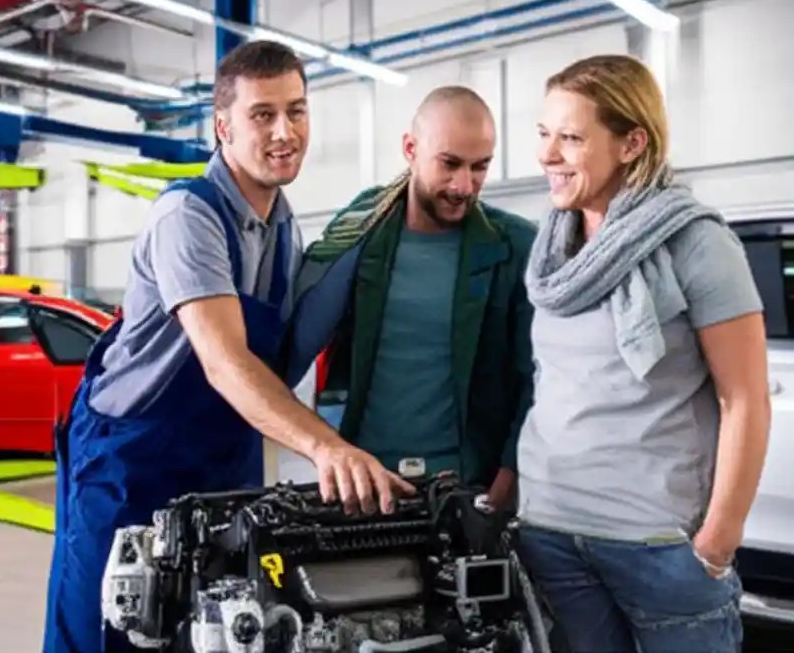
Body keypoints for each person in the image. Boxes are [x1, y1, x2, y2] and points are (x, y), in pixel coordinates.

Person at [41, 40, 415, 653]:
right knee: (107, 628)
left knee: (216, 628)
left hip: (222, 461)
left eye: (296, 111)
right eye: (262, 115)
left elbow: (281, 355)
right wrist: (328, 448)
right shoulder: (188, 216)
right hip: (133, 461)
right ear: (223, 126)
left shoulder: (282, 224)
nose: (284, 131)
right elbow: (225, 361)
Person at [513, 54, 771, 652]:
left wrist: (717, 542)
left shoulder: (696, 242)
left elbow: (746, 398)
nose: (548, 155)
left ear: (632, 143)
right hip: (553, 532)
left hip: (657, 545)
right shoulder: (553, 251)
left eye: (571, 137)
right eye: (544, 133)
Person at [282, 85, 537, 510]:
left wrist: (505, 485)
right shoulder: (357, 235)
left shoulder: (515, 248)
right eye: (450, 164)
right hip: (364, 485)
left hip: (468, 488)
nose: (464, 185)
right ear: (410, 148)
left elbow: (535, 379)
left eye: (480, 167)